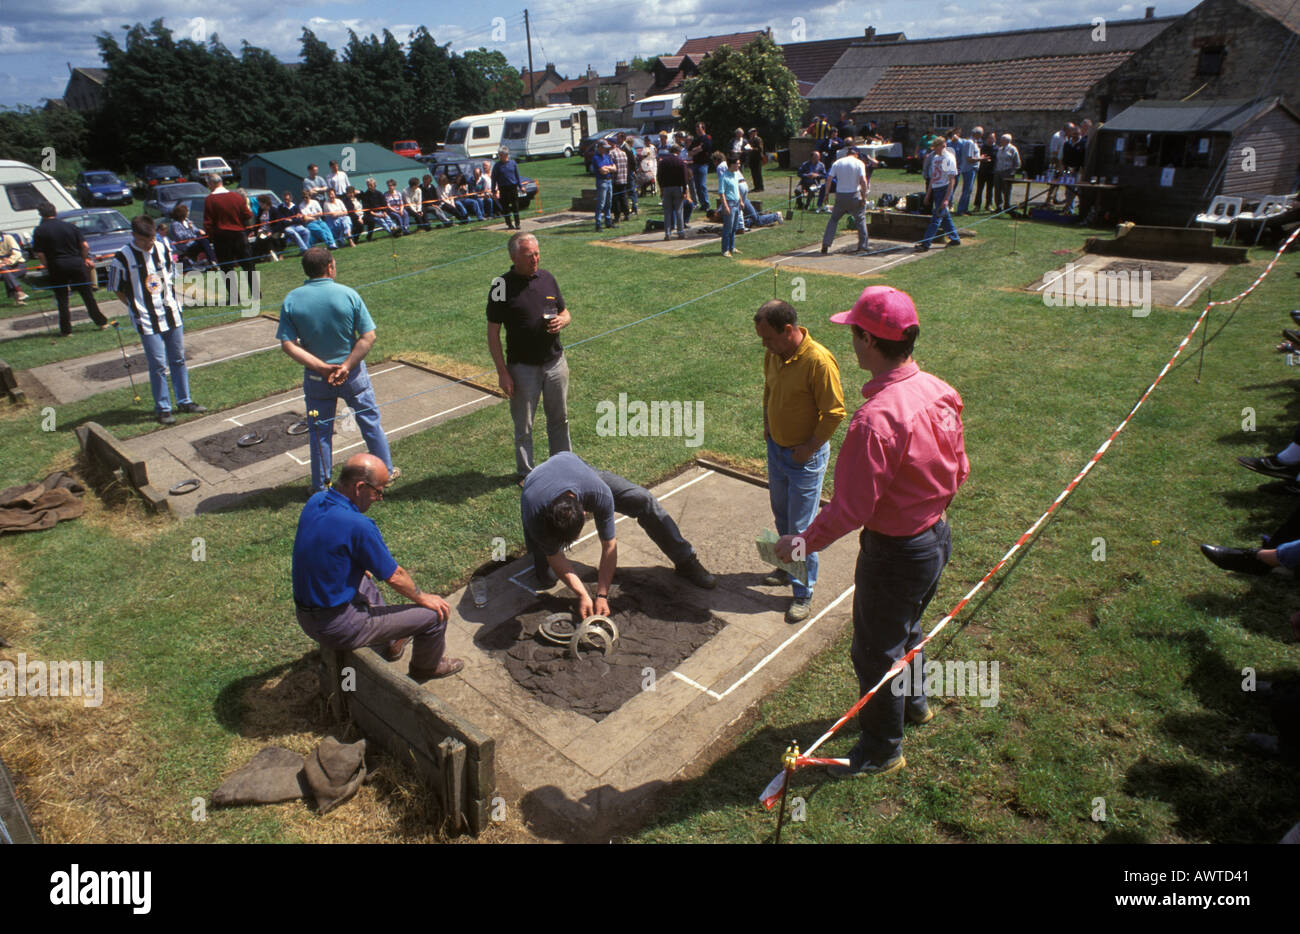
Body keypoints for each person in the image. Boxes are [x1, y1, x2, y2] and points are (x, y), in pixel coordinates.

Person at [775, 285, 968, 777]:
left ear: (868, 341)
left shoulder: (874, 421)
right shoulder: (940, 391)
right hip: (937, 536)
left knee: (874, 650)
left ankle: (882, 748)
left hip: (896, 553)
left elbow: (850, 509)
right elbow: (959, 469)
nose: (851, 342)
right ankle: (915, 704)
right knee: (909, 630)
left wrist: (800, 543)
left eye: (854, 333)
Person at [292, 452, 462, 683]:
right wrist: (424, 598)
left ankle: (391, 642)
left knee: (363, 575)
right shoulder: (359, 525)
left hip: (306, 615)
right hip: (338, 625)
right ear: (360, 487)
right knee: (435, 614)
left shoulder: (316, 501)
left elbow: (326, 545)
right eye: (378, 491)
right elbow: (395, 576)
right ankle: (426, 668)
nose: (380, 498)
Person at [521, 451, 716, 613]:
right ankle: (540, 555)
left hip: (575, 468)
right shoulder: (534, 513)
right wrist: (582, 594)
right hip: (537, 482)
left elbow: (609, 545)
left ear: (584, 510)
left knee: (642, 500)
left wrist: (601, 594)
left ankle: (686, 561)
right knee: (547, 577)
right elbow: (556, 557)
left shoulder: (598, 493)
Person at [277, 247, 398, 492]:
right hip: (353, 374)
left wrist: (322, 368)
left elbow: (288, 345)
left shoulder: (291, 299)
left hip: (316, 378)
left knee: (320, 432)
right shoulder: (348, 294)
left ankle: (321, 485)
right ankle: (385, 469)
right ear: (330, 267)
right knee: (370, 423)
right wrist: (346, 365)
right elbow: (368, 337)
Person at [755, 300, 846, 622]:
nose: (764, 345)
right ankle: (785, 567)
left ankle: (802, 594)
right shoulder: (774, 354)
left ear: (789, 330)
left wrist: (809, 447)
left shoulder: (818, 361)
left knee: (800, 530)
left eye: (768, 338)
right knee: (782, 517)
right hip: (777, 451)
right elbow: (769, 389)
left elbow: (834, 412)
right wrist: (768, 424)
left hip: (803, 459)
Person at [486, 233, 571, 479]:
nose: (535, 259)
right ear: (513, 257)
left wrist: (562, 321)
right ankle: (527, 474)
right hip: (522, 369)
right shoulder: (500, 285)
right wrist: (502, 372)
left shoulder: (547, 278)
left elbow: (566, 312)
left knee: (560, 419)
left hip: (555, 363)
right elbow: (493, 332)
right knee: (524, 426)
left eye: (537, 253)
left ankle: (563, 466)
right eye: (529, 255)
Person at [107, 214, 206, 425]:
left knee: (178, 358)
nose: (148, 244)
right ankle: (163, 407)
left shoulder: (163, 248)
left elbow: (173, 277)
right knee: (158, 363)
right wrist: (134, 307)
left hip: (170, 311)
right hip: (146, 318)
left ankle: (184, 400)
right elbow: (117, 289)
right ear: (134, 236)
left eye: (151, 239)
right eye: (143, 241)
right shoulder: (123, 257)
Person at [30, 202, 110, 334]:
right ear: (55, 212)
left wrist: (47, 266)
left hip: (57, 265)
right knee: (87, 295)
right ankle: (101, 322)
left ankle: (66, 330)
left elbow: (40, 253)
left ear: (40, 214)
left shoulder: (39, 230)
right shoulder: (70, 226)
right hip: (76, 263)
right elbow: (85, 246)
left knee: (62, 299)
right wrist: (84, 259)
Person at [203, 173, 256, 304]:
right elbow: (248, 214)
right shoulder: (236, 196)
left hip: (221, 237)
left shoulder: (210, 200)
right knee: (248, 265)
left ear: (211, 184)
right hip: (239, 234)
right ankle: (256, 293)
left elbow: (208, 223)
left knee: (227, 268)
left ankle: (234, 297)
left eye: (208, 184)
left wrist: (211, 237)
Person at [821, 147, 871, 255]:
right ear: (856, 154)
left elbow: (829, 179)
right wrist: (864, 197)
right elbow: (863, 180)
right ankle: (863, 246)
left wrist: (826, 194)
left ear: (847, 154)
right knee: (860, 219)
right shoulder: (859, 163)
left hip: (840, 196)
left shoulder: (837, 163)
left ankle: (825, 244)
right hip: (854, 195)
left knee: (833, 219)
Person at [915, 136, 960, 251]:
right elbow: (933, 178)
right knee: (944, 216)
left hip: (944, 189)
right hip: (936, 189)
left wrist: (946, 199)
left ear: (942, 146)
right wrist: (928, 194)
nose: (934, 150)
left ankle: (926, 243)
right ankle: (955, 238)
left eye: (936, 147)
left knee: (936, 217)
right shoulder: (935, 158)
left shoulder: (948, 158)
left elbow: (951, 180)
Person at [657, 143, 692, 240]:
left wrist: (661, 189)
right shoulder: (681, 162)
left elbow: (659, 177)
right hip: (678, 188)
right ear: (678, 152)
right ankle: (680, 232)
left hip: (666, 188)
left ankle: (667, 233)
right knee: (679, 210)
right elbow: (685, 178)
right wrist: (685, 190)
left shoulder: (663, 162)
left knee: (667, 212)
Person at [715, 152, 741, 258]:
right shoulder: (723, 177)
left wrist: (741, 201)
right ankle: (725, 250)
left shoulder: (735, 175)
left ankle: (732, 247)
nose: (739, 165)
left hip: (736, 204)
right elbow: (721, 192)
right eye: (737, 164)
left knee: (734, 228)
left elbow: (737, 189)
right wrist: (725, 206)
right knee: (728, 228)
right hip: (729, 204)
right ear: (731, 164)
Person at [491, 148, 523, 230]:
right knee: (505, 207)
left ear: (506, 155)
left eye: (501, 155)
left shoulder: (513, 163)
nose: (499, 157)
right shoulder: (497, 166)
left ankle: (517, 223)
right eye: (499, 155)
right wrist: (493, 190)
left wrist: (520, 186)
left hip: (513, 187)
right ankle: (509, 223)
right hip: (503, 188)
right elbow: (494, 178)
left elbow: (517, 176)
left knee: (515, 206)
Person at [591, 140, 616, 231]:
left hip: (609, 181)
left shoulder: (607, 156)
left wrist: (608, 168)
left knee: (608, 203)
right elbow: (602, 170)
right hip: (602, 182)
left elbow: (614, 168)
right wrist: (609, 168)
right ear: (600, 148)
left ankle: (608, 221)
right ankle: (598, 224)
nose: (606, 150)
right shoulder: (596, 158)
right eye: (604, 148)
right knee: (601, 203)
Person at [993, 134, 1021, 213]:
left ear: (1007, 140)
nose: (1000, 141)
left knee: (1006, 190)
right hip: (998, 171)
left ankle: (1006, 206)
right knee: (997, 190)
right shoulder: (1000, 149)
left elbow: (1017, 163)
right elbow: (997, 160)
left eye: (1002, 139)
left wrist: (1012, 172)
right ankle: (998, 206)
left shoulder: (1012, 149)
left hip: (1007, 172)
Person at [689, 122, 712, 210]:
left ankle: (706, 204)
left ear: (703, 129)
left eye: (699, 129)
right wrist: (697, 149)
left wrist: (697, 149)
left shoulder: (707, 138)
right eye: (696, 129)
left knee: (702, 185)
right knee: (697, 186)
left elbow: (706, 148)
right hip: (695, 164)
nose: (697, 131)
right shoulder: (696, 140)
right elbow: (689, 152)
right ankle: (702, 204)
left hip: (703, 164)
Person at [0, 230, 28, 304]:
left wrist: (8, 261)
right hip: (3, 268)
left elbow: (17, 253)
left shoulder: (8, 238)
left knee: (5, 273)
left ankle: (16, 295)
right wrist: (2, 263)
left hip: (18, 265)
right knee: (5, 272)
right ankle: (19, 291)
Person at [974, 131, 998, 213]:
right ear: (986, 139)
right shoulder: (982, 147)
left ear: (995, 139)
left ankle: (988, 205)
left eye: (992, 138)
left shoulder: (997, 149)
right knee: (979, 189)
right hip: (982, 171)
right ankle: (977, 205)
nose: (990, 140)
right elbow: (978, 157)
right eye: (989, 138)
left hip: (992, 172)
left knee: (990, 190)